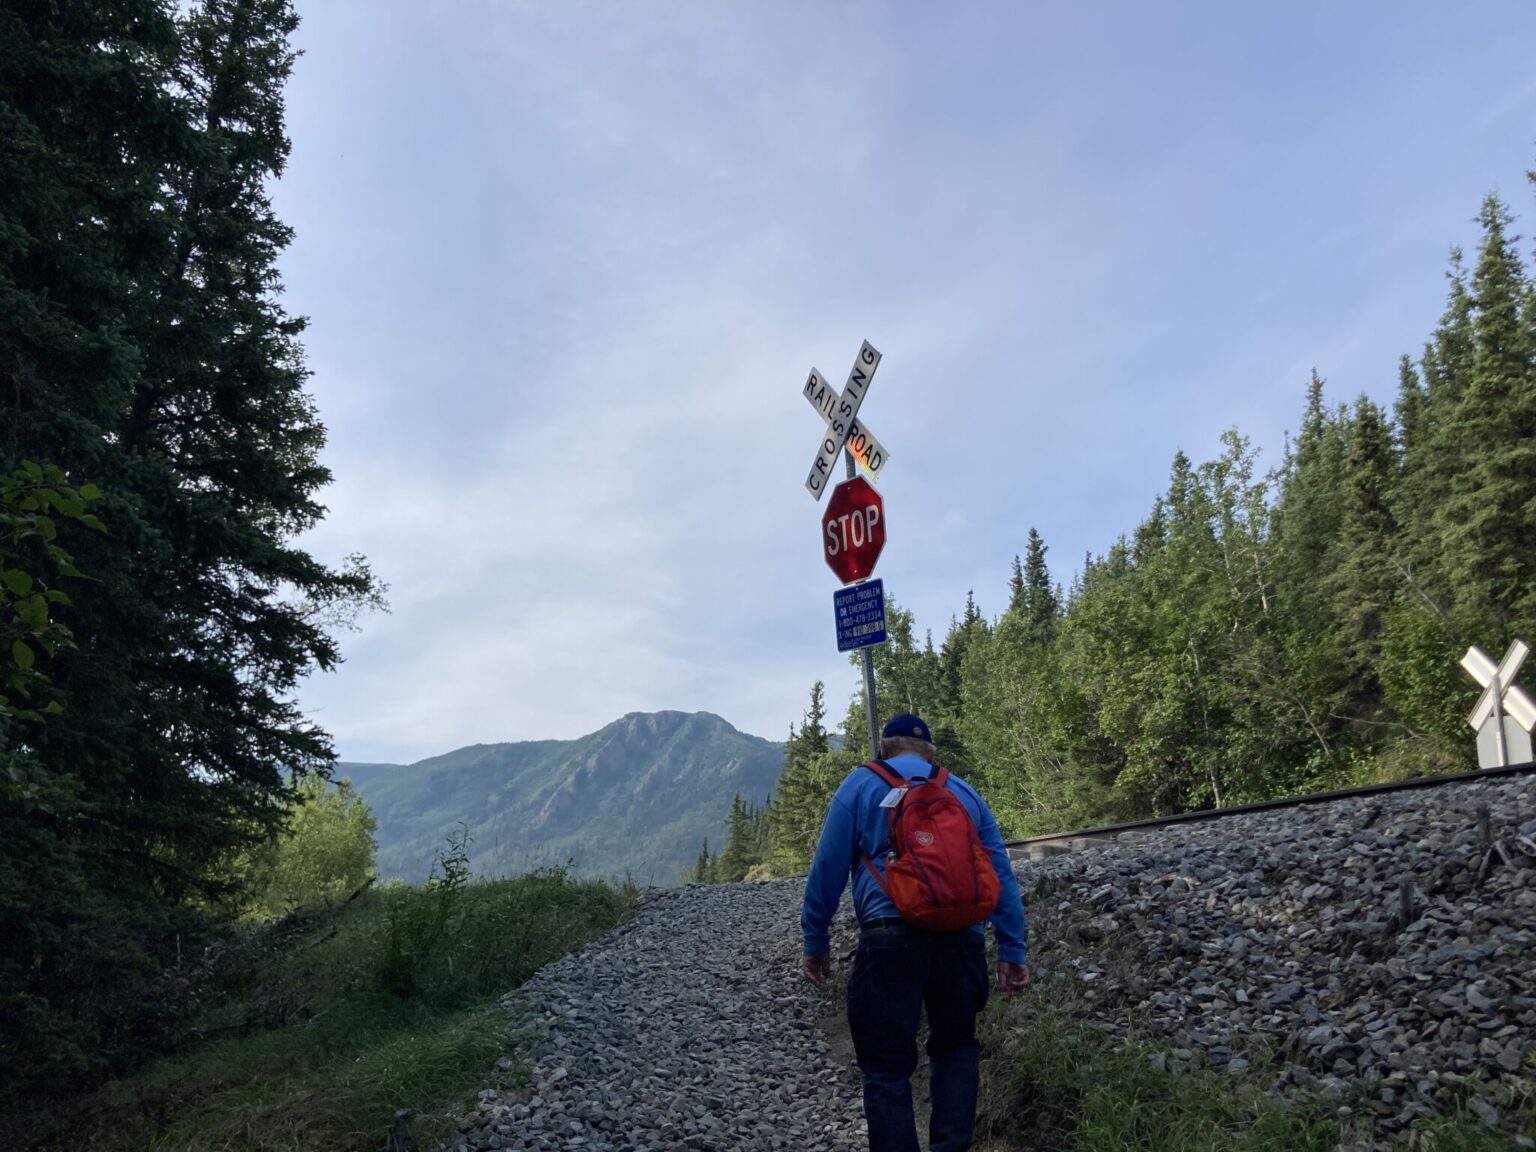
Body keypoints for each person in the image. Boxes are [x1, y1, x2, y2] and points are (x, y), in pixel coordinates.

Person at [800, 712, 1028, 1152]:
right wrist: (1011, 949)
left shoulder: (861, 784)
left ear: (884, 748)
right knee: (956, 1047)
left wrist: (816, 939)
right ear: (930, 754)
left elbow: (827, 867)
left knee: (886, 1067)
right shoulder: (963, 792)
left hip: (887, 938)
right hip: (960, 938)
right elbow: (1000, 873)